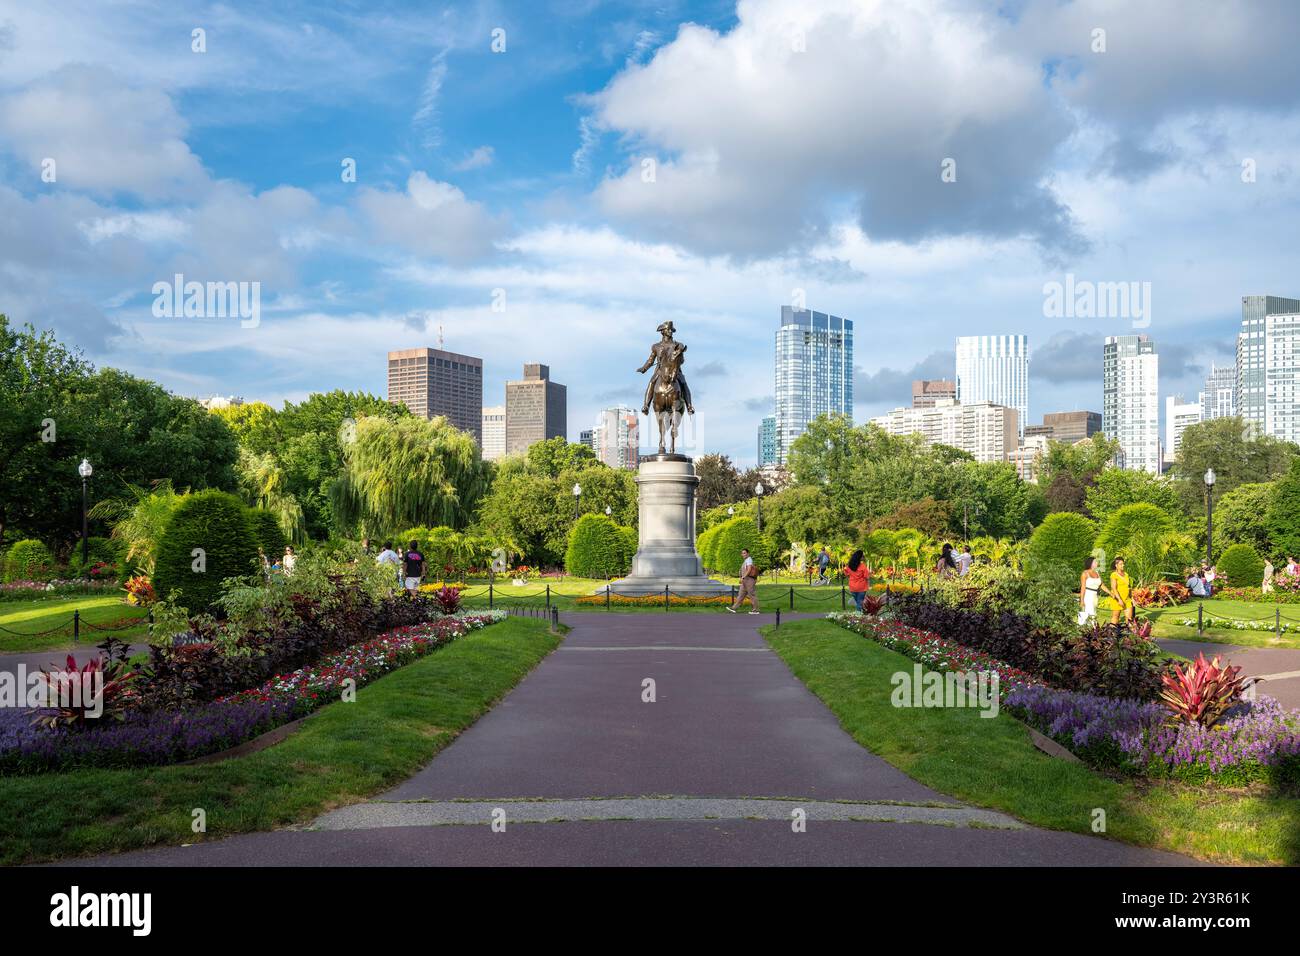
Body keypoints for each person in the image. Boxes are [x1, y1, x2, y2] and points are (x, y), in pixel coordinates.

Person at [1079, 556, 1111, 625]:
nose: (1097, 563)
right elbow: (1083, 588)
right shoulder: (1085, 574)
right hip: (1088, 596)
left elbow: (1102, 585)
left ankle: (1087, 630)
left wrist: (1110, 593)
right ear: (1090, 563)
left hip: (1095, 596)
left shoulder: (1097, 573)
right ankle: (1094, 630)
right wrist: (1081, 600)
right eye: (1095, 562)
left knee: (1092, 613)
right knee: (1092, 614)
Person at [728, 548, 761, 615]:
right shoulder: (746, 560)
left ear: (748, 553)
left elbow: (749, 570)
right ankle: (734, 608)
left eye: (744, 553)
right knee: (741, 595)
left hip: (749, 580)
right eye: (742, 553)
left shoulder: (749, 560)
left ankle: (756, 610)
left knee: (752, 595)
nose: (743, 554)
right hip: (745, 581)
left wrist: (743, 577)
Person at [1109, 557, 1135, 626]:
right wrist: (1119, 599)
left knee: (1129, 618)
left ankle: (1129, 634)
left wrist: (1132, 598)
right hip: (1117, 599)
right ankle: (1111, 633)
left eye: (1123, 564)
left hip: (1127, 599)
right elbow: (1114, 588)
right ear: (1116, 565)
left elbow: (1128, 587)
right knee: (1116, 617)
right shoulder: (1113, 575)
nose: (1123, 565)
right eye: (1121, 564)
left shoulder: (1126, 574)